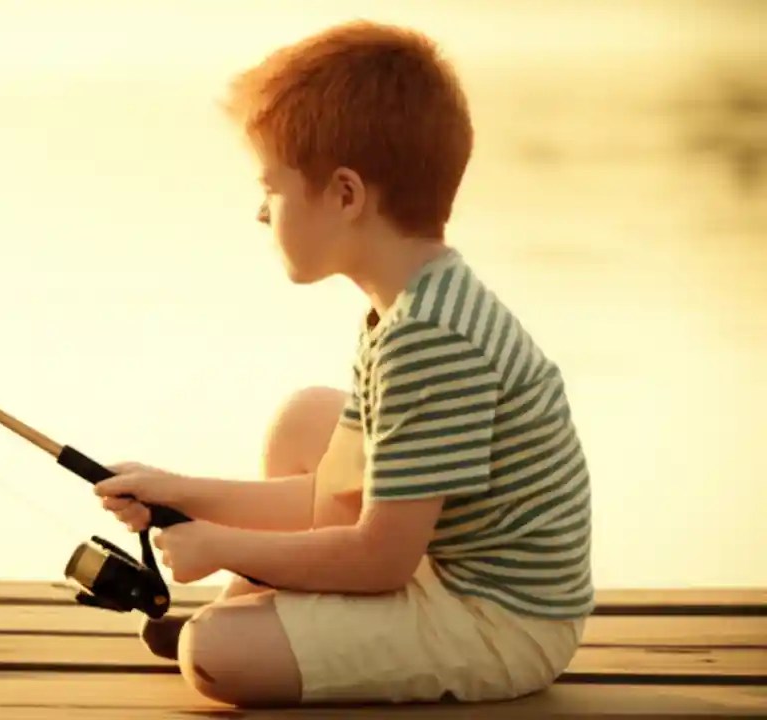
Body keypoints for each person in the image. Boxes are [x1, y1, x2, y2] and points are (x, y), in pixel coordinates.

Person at [93, 19, 593, 708]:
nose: (261, 215)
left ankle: (245, 624)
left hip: (499, 623)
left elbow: (379, 559)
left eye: (271, 188)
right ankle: (262, 615)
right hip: (433, 559)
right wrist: (180, 492)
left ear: (346, 195)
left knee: (212, 656)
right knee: (306, 421)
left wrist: (223, 547)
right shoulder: (407, 305)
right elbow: (332, 501)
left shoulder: (431, 339)